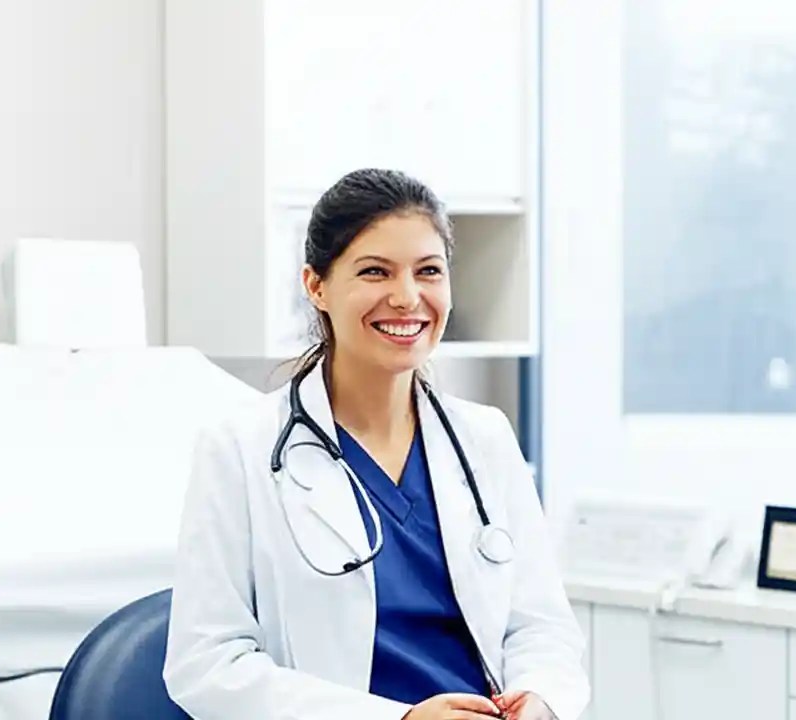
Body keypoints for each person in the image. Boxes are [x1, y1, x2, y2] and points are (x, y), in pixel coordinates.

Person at [163, 169, 589, 720]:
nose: (408, 298)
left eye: (428, 271)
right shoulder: (239, 449)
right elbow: (206, 664)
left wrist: (541, 698)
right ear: (316, 285)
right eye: (375, 272)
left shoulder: (484, 439)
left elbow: (542, 629)